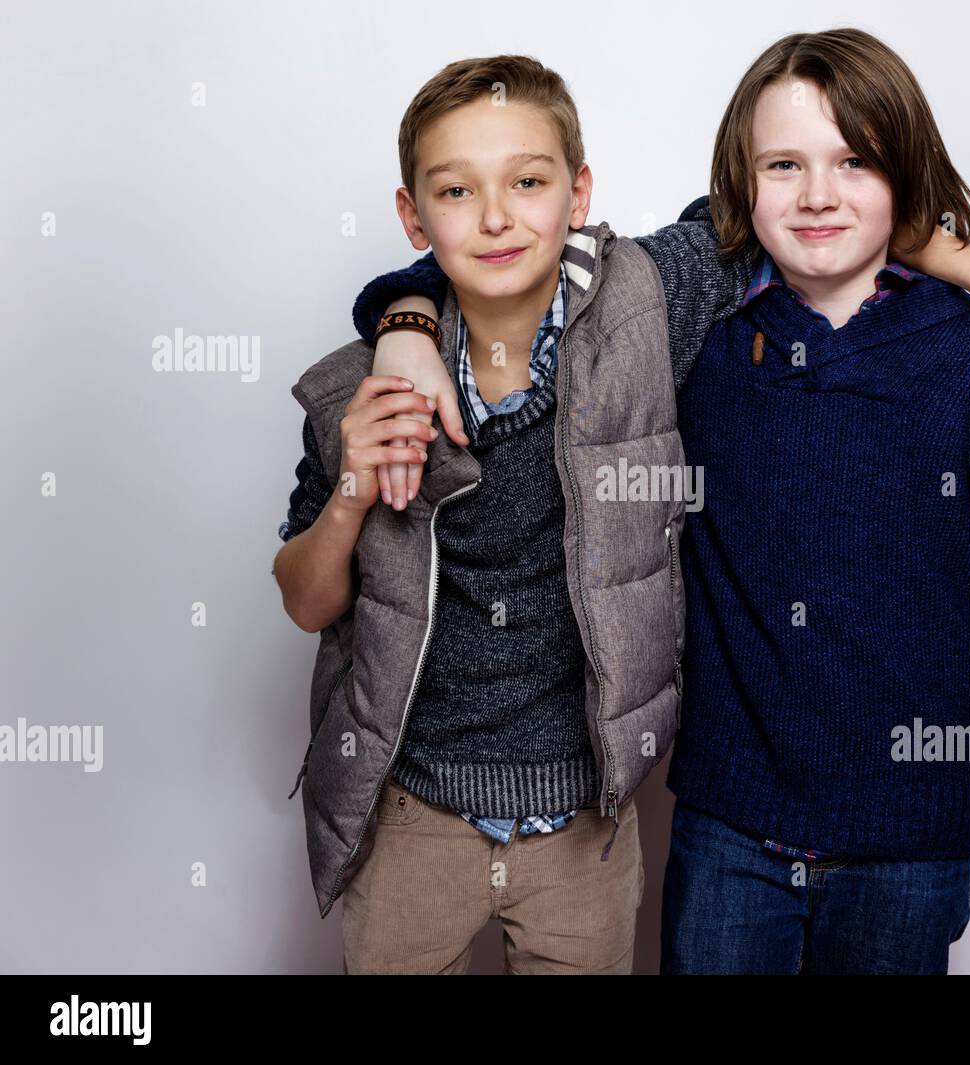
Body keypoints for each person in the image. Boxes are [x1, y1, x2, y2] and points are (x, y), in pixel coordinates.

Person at [344, 28, 970, 975]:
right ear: (742, 181)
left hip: (911, 837)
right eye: (784, 164)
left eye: (855, 161)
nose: (817, 194)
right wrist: (404, 318)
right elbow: (508, 265)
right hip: (729, 828)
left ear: (905, 176)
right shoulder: (692, 331)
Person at [274, 54, 687, 973]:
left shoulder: (650, 307)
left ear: (577, 194)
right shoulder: (359, 384)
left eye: (528, 182)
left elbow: (769, 217)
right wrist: (353, 477)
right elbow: (305, 602)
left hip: (585, 826)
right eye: (457, 191)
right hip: (413, 816)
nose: (497, 217)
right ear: (413, 218)